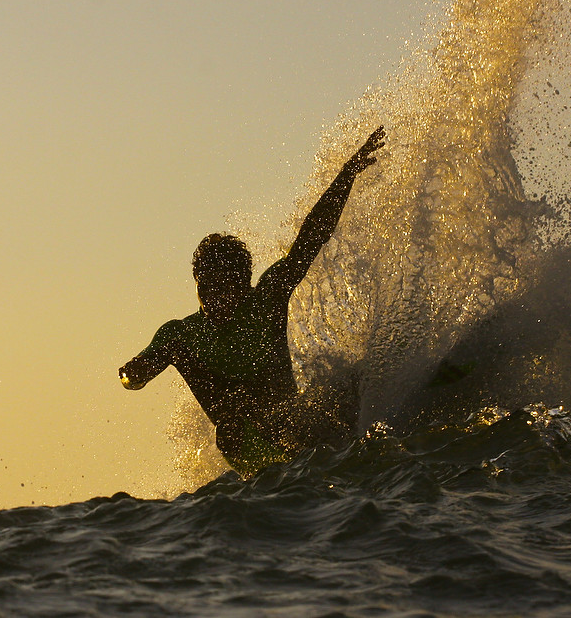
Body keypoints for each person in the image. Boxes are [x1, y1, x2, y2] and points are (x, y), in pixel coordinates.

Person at [119, 127, 386, 475]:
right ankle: (267, 480)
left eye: (225, 287)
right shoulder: (179, 334)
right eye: (207, 287)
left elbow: (311, 237)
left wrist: (347, 174)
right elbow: (132, 379)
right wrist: (131, 374)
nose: (215, 297)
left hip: (297, 428)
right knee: (222, 421)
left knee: (347, 381)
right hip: (252, 446)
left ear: (243, 285)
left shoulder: (266, 299)